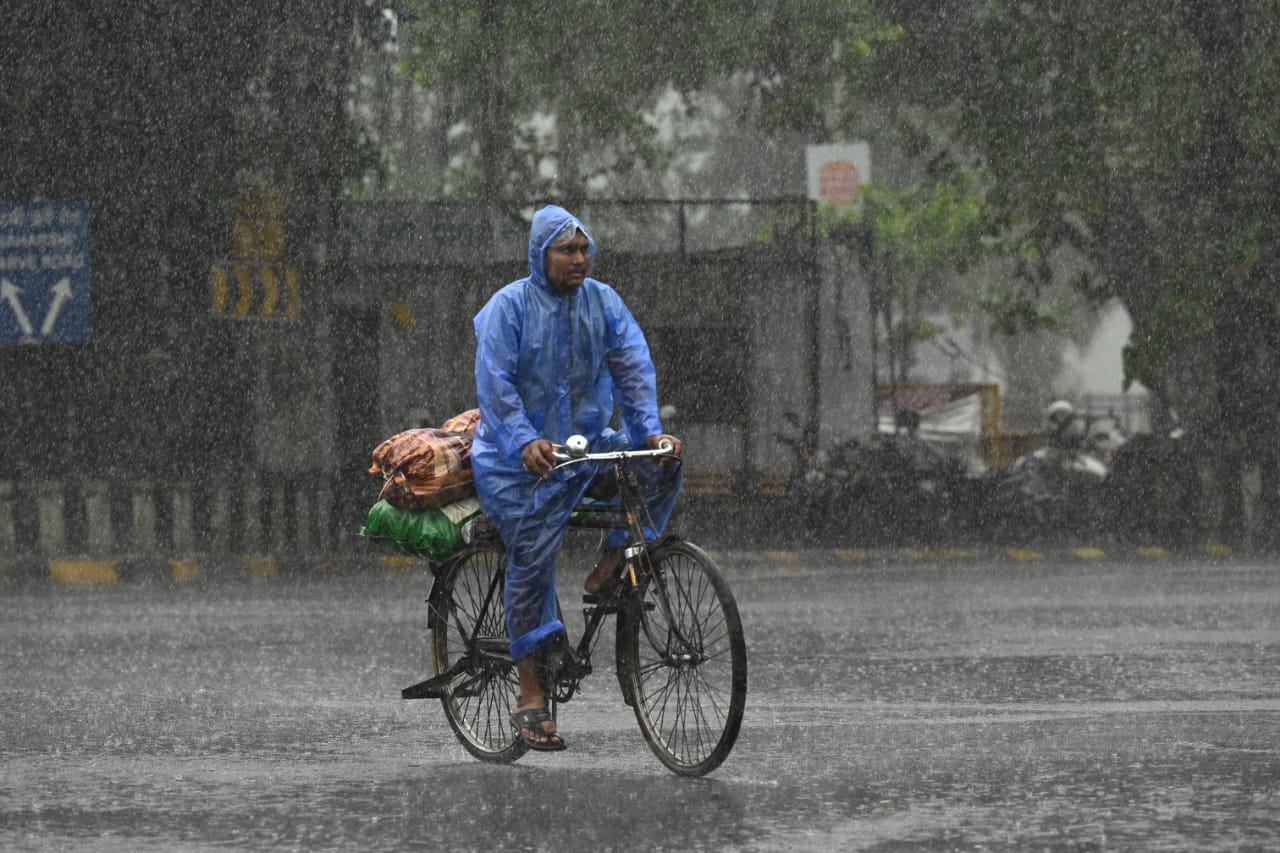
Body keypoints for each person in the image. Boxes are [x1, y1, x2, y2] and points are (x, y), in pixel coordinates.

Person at [470, 205, 683, 752]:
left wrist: (649, 434)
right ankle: (529, 691)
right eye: (567, 250)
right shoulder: (508, 307)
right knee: (532, 557)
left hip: (583, 450)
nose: (580, 259)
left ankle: (613, 561)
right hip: (515, 460)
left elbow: (633, 371)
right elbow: (495, 386)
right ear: (541, 255)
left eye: (585, 249)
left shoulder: (604, 302)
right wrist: (523, 439)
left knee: (662, 463)